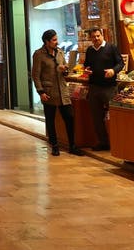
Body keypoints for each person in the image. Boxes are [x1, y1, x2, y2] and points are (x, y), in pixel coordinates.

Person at [32, 29, 83, 157]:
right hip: (49, 92)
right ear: (46, 41)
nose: (57, 42)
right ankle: (54, 145)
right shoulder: (39, 54)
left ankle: (72, 145)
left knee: (70, 117)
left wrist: (64, 69)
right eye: (54, 40)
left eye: (56, 39)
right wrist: (40, 91)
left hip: (63, 91)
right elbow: (35, 75)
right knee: (50, 120)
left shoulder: (60, 52)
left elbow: (65, 69)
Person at [83, 26, 124, 151]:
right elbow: (87, 65)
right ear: (90, 38)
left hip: (109, 88)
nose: (96, 39)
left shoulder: (111, 48)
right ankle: (103, 142)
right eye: (93, 37)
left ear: (102, 35)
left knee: (115, 116)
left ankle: (119, 143)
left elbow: (120, 63)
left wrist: (113, 70)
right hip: (94, 87)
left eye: (98, 36)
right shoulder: (89, 50)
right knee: (96, 118)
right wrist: (87, 70)